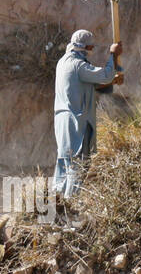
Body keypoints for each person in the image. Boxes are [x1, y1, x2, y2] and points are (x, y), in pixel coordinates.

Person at [52, 29, 121, 197]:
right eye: (91, 47)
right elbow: (104, 75)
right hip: (76, 122)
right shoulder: (78, 64)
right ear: (87, 46)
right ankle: (70, 207)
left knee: (64, 165)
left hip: (62, 121)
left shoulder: (63, 62)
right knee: (77, 166)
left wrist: (113, 80)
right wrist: (114, 55)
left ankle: (56, 205)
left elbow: (84, 84)